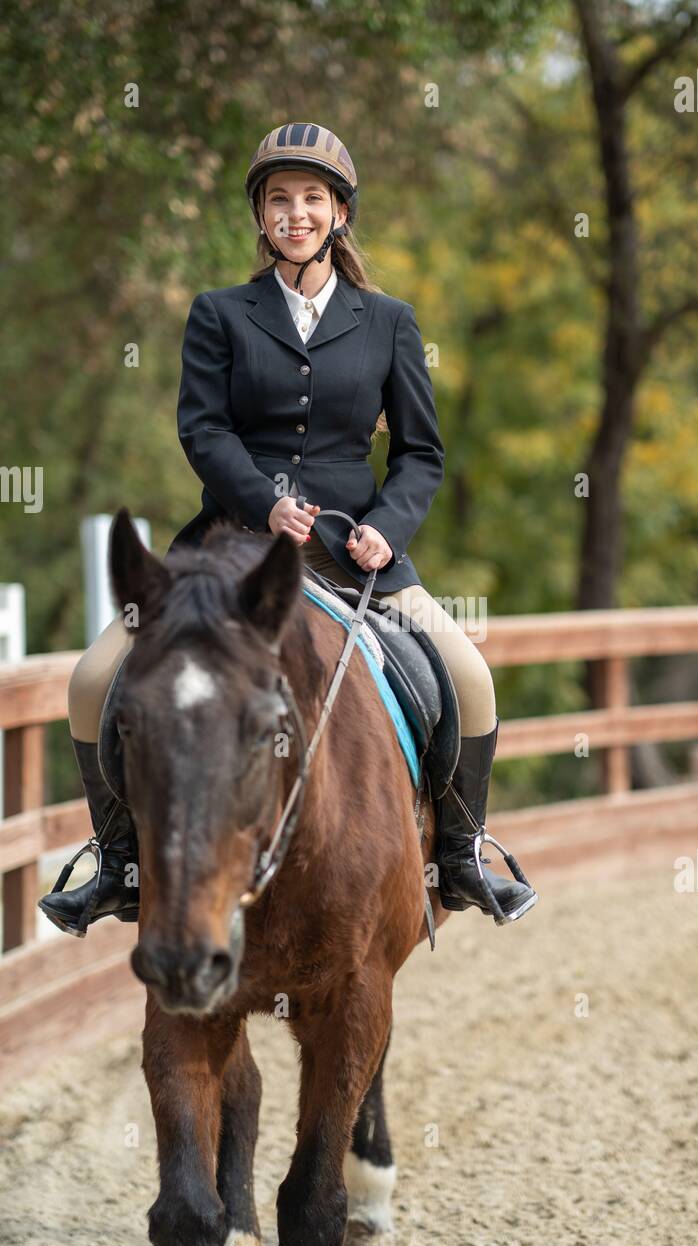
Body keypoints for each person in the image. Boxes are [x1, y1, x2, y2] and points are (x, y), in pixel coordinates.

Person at [39, 122, 538, 938]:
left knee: (471, 678)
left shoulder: (389, 322)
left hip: (355, 557)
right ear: (261, 217)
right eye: (280, 200)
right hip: (229, 549)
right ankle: (118, 856)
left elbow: (421, 454)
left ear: (339, 212)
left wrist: (385, 525)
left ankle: (459, 849)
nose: (295, 213)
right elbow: (203, 432)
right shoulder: (219, 314)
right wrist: (265, 499)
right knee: (94, 680)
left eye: (312, 198)